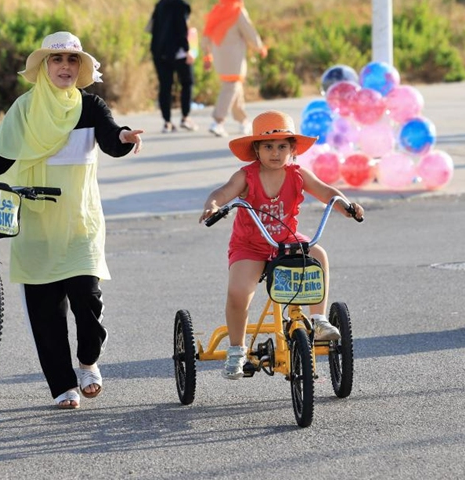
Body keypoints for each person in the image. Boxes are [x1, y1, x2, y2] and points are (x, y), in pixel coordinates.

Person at [0, 32, 144, 409]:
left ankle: (88, 361)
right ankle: (64, 387)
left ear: (80, 68)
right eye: (57, 60)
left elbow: (110, 136)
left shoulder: (90, 106)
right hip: (36, 223)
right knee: (45, 312)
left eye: (72, 61)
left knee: (88, 303)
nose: (65, 67)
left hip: (79, 223)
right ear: (43, 67)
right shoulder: (24, 109)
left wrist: (124, 137)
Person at [199, 111, 364, 379]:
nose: (275, 153)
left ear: (293, 149)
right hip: (250, 245)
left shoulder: (298, 175)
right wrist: (213, 205)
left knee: (318, 255)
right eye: (268, 146)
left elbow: (326, 192)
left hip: (285, 240)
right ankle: (236, 349)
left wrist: (347, 206)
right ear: (256, 149)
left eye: (282, 146)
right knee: (239, 292)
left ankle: (319, 320)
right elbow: (223, 191)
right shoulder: (247, 176)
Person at [201, 0, 267, 138]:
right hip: (234, 58)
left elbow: (206, 35)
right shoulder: (237, 11)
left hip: (219, 57)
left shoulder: (217, 10)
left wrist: (206, 55)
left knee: (234, 88)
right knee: (231, 87)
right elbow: (249, 31)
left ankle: (243, 121)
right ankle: (218, 121)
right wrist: (259, 47)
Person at [147, 0, 198, 133]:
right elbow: (182, 29)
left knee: (165, 86)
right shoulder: (181, 5)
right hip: (179, 53)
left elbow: (152, 28)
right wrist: (188, 50)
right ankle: (185, 118)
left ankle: (167, 122)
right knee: (187, 83)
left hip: (160, 53)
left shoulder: (160, 5)